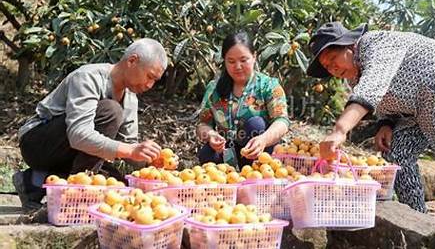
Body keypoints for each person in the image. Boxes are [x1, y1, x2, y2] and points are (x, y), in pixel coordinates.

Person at [306, 21, 435, 237]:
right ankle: (421, 229)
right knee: (397, 154)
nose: (332, 68)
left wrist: (340, 130)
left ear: (349, 46)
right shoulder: (355, 76)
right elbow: (387, 99)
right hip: (423, 112)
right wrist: (385, 123)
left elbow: (375, 84)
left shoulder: (375, 43)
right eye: (327, 67)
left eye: (333, 59)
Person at [14, 38, 168, 212]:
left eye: (155, 80)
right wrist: (131, 150)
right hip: (38, 143)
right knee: (111, 111)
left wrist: (153, 161)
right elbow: (79, 134)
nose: (150, 85)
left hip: (71, 151)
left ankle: (32, 181)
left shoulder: (130, 98)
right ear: (132, 61)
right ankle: (72, 199)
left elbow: (129, 148)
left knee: (120, 186)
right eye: (149, 76)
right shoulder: (88, 77)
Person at [196, 31, 290, 169]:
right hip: (227, 152)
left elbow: (282, 121)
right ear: (224, 60)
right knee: (206, 153)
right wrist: (210, 135)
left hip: (260, 152)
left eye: (243, 60)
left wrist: (263, 140)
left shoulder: (268, 86)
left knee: (256, 125)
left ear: (254, 57)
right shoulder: (214, 88)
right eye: (231, 61)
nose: (238, 66)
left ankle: (256, 175)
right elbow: (203, 124)